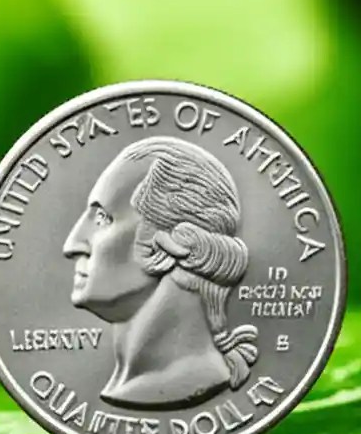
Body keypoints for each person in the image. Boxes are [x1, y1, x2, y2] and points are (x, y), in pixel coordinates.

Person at [62, 136, 257, 409]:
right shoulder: (127, 385)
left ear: (172, 242)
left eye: (102, 219)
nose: (71, 245)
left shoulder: (193, 379)